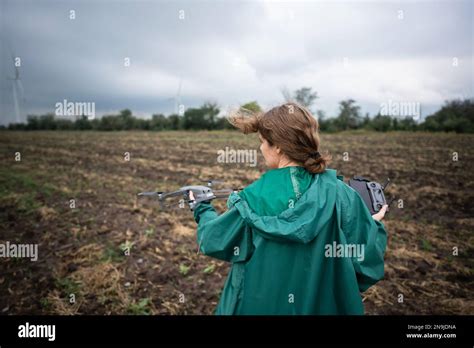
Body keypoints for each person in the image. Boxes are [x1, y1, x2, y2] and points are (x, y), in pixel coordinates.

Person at [190, 102, 388, 315]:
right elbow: (366, 266)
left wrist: (201, 208)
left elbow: (212, 240)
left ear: (278, 147)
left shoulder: (254, 197)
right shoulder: (343, 195)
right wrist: (372, 225)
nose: (260, 148)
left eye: (262, 141)